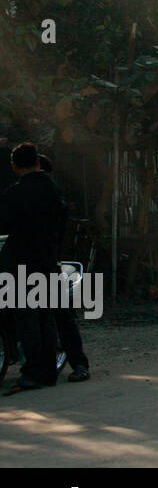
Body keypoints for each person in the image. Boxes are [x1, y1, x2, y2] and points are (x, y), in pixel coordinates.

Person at [0, 143, 64, 392]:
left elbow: (4, 223)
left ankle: (32, 372)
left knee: (27, 320)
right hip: (47, 261)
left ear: (15, 165)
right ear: (36, 162)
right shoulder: (52, 189)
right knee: (45, 318)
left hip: (22, 264)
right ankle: (49, 372)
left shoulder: (16, 193)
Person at [39, 155, 89, 382]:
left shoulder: (52, 199)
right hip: (35, 264)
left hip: (50, 264)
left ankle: (78, 363)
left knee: (61, 316)